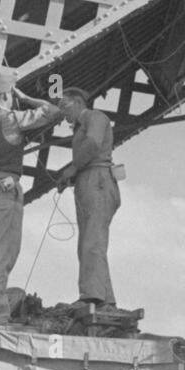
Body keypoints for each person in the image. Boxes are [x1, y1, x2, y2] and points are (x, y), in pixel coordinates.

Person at [0, 74, 62, 323]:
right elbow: (52, 111)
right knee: (3, 256)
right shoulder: (9, 120)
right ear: (8, 96)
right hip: (3, 190)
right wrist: (27, 97)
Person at [56, 87, 121, 308]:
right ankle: (105, 299)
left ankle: (92, 296)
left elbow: (93, 144)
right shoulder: (82, 125)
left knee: (92, 241)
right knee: (90, 242)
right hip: (89, 181)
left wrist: (73, 168)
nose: (63, 114)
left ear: (77, 102)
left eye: (65, 106)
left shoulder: (95, 117)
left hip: (98, 181)